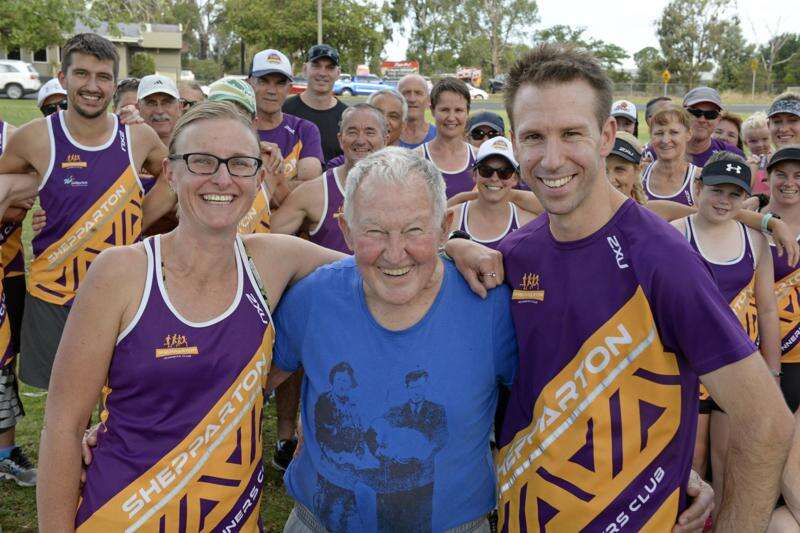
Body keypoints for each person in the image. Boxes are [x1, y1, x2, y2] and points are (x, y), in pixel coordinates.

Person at [269, 147, 713, 533]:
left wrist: (674, 468)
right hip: (321, 521)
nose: (395, 251)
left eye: (415, 230)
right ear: (346, 230)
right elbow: (253, 386)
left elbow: (575, 402)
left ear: (445, 227)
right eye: (374, 231)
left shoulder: (492, 306)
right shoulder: (313, 299)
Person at [492, 43, 792, 531]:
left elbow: (767, 421)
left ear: (607, 135)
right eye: (533, 137)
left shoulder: (661, 257)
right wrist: (457, 250)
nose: (551, 159)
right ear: (513, 141)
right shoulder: (513, 254)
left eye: (571, 133)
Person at [34, 101, 347, 531]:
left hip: (230, 519)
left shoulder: (275, 261)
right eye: (202, 161)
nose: (222, 178)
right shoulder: (120, 272)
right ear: (170, 172)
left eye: (240, 163)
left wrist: (445, 244)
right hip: (123, 514)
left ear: (259, 177)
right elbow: (63, 426)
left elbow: (379, 268)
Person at [0, 33, 175, 391]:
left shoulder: (137, 137)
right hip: (54, 291)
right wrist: (32, 199)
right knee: (62, 400)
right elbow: (7, 184)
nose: (92, 86)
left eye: (103, 77)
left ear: (114, 84)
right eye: (82, 74)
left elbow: (173, 176)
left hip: (122, 291)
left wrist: (136, 218)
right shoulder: (34, 138)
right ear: (62, 78)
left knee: (119, 396)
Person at [671, 152, 780, 515]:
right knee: (692, 461)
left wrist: (772, 373)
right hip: (689, 370)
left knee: (728, 461)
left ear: (745, 198)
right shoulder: (676, 235)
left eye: (734, 194)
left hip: (738, 369)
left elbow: (767, 309)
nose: (723, 201)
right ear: (698, 188)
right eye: (716, 190)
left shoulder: (755, 241)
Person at [270, 103, 387, 254]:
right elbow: (265, 235)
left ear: (385, 140)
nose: (360, 140)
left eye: (370, 132)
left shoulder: (402, 189)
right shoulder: (314, 193)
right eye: (352, 132)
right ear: (340, 139)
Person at [250, 49, 324, 191]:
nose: (272, 91)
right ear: (250, 83)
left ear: (289, 88)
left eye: (280, 83)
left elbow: (309, 189)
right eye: (263, 81)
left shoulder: (305, 130)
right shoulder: (236, 130)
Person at [448, 136, 536, 249]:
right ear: (475, 174)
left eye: (504, 172)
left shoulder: (527, 225)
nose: (494, 178)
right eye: (486, 170)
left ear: (515, 178)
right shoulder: (451, 219)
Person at [283, 44, 348, 165]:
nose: (322, 73)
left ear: (338, 73)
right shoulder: (284, 110)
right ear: (304, 69)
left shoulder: (348, 116)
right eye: (316, 66)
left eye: (330, 67)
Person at [417, 77, 476, 199]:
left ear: (467, 112)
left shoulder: (480, 158)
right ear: (433, 110)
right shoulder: (416, 159)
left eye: (458, 110)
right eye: (445, 110)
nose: (451, 118)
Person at [642, 104, 700, 205]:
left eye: (674, 132)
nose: (665, 140)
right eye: (659, 133)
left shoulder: (700, 179)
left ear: (688, 134)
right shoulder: (639, 175)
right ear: (651, 136)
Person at [682, 86, 744, 166]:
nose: (702, 120)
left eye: (711, 114)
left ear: (718, 119)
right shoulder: (668, 151)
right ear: (682, 114)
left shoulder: (733, 156)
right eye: (695, 112)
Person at [137, 74, 183, 146]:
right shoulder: (126, 149)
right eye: (151, 103)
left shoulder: (193, 147)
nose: (159, 111)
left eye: (166, 103)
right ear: (138, 108)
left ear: (180, 107)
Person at [607, 131, 648, 204]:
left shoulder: (643, 211)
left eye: (619, 169)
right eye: (604, 170)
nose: (610, 179)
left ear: (638, 170)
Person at [398, 73, 437, 149]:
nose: (412, 99)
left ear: (428, 100)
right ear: (397, 99)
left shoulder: (439, 136)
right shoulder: (387, 136)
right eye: (406, 93)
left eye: (418, 93)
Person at [743, 111, 772, 196]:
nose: (760, 144)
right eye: (753, 141)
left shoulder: (777, 159)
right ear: (745, 143)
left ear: (771, 138)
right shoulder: (745, 164)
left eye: (765, 139)